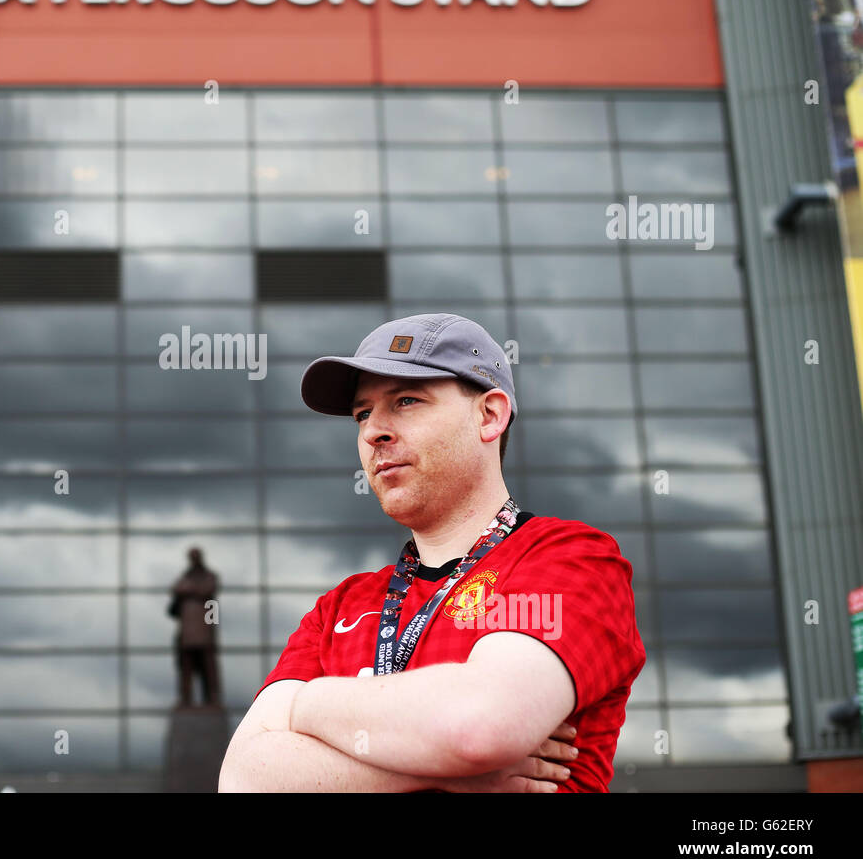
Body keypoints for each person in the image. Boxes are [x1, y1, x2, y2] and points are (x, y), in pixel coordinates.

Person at [219, 313, 645, 792]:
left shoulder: (568, 559)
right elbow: (244, 779)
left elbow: (477, 728)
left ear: (489, 416)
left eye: (406, 400)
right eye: (362, 413)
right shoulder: (339, 608)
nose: (373, 431)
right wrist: (444, 767)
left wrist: (305, 706)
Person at [169, 546, 221, 706]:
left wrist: (187, 589)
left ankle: (212, 697)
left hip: (204, 632)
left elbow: (208, 590)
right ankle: (186, 698)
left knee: (208, 667)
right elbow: (176, 590)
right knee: (186, 667)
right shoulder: (185, 577)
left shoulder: (208, 576)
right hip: (187, 633)